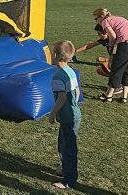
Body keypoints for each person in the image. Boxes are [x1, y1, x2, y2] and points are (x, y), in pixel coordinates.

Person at [49, 40, 82, 190]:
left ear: (55, 55)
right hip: (74, 114)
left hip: (69, 116)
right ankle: (65, 169)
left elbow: (61, 98)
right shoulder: (71, 71)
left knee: (69, 147)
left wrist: (52, 113)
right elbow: (77, 92)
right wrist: (73, 104)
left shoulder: (58, 76)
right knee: (63, 143)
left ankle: (69, 179)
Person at [94, 8, 128, 103]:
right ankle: (124, 97)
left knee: (117, 69)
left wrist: (112, 46)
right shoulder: (119, 18)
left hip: (127, 44)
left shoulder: (105, 21)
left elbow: (113, 36)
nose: (96, 21)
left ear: (102, 16)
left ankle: (108, 95)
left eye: (96, 19)